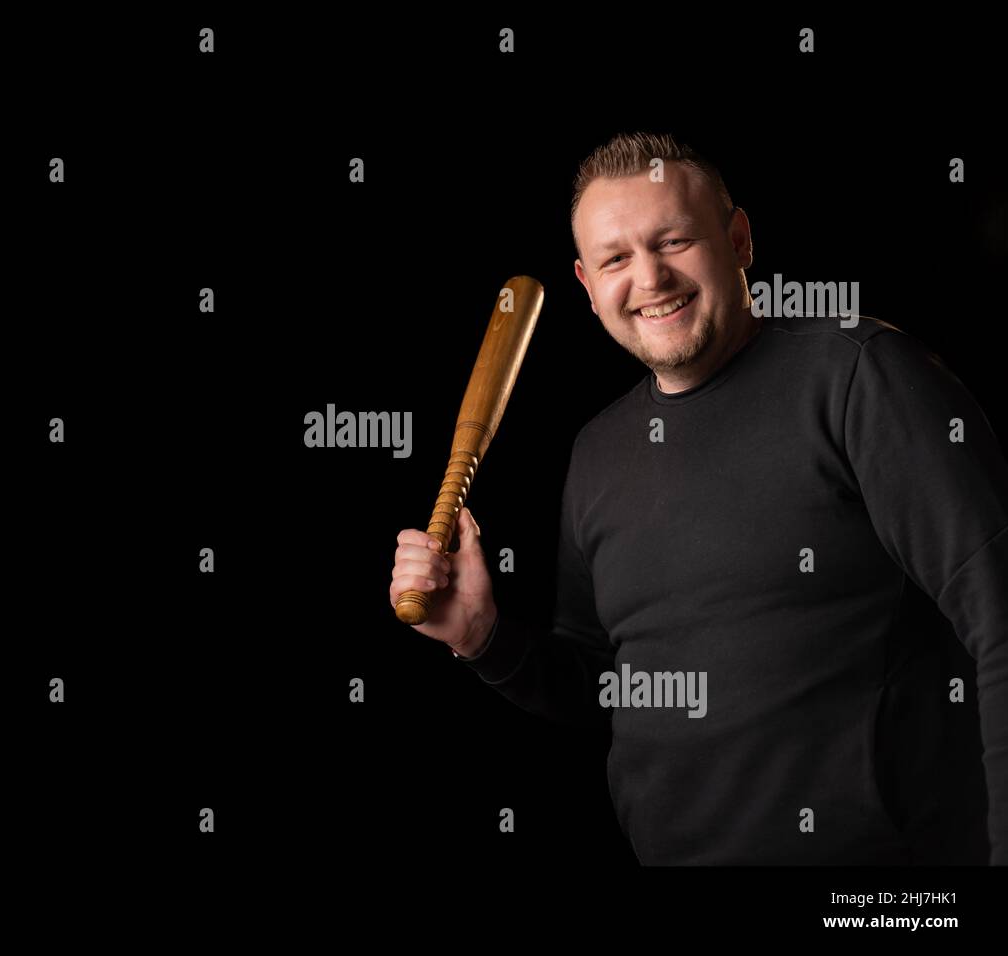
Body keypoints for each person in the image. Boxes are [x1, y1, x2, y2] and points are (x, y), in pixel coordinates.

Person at [389, 131, 1008, 865]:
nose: (649, 278)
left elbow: (1000, 620)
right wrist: (483, 639)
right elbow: (611, 692)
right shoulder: (599, 452)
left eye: (673, 240)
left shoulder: (857, 378)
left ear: (739, 239)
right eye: (616, 258)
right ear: (588, 287)